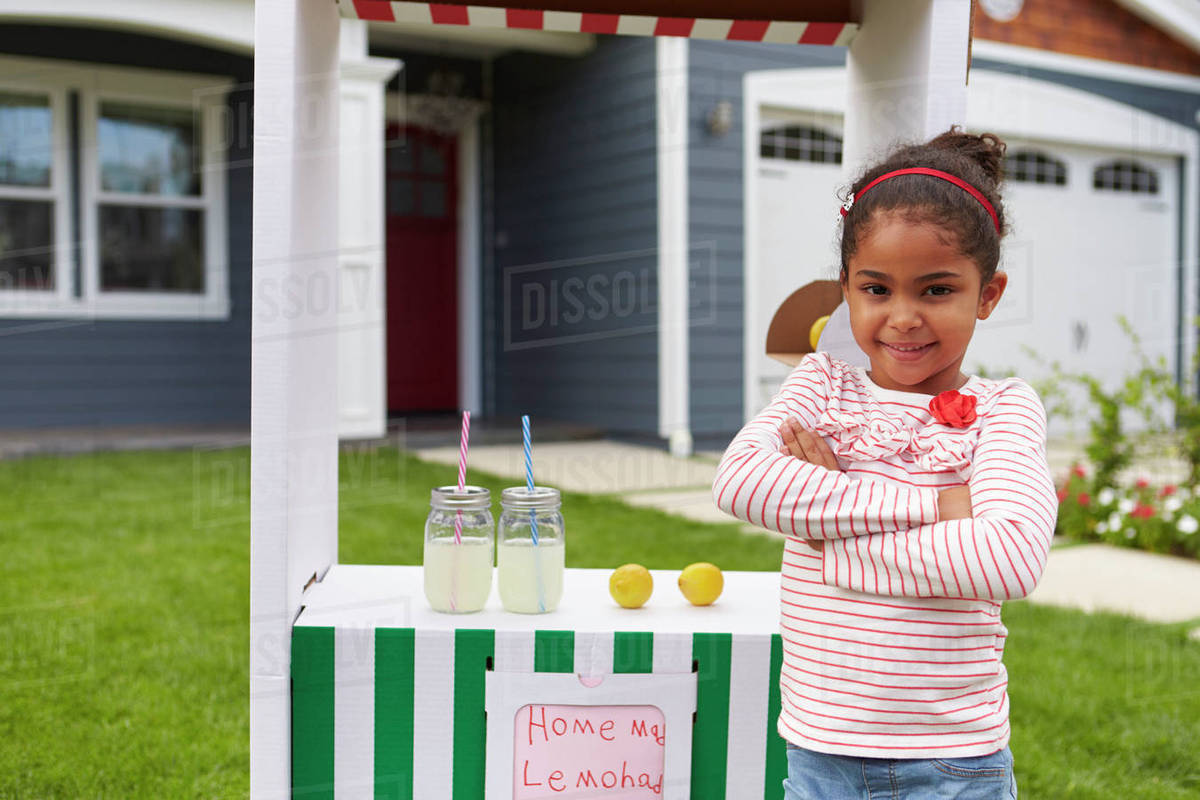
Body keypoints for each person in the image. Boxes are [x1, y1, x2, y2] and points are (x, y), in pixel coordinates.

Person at [712, 128, 1057, 800]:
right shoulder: (821, 384)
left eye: (936, 291)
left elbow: (1008, 559)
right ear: (846, 289)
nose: (903, 317)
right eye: (876, 289)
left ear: (987, 294)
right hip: (822, 745)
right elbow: (741, 481)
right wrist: (938, 504)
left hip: (954, 757)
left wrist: (826, 531)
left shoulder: (1005, 409)